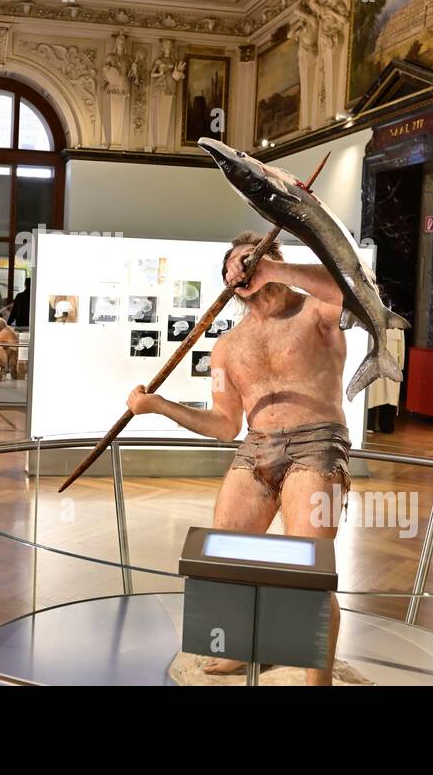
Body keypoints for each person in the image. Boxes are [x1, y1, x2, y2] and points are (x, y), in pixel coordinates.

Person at [126, 231, 350, 685]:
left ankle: (317, 678)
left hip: (318, 441)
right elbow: (224, 424)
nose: (241, 270)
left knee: (310, 566)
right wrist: (159, 406)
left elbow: (344, 291)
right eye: (233, 266)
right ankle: (237, 648)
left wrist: (272, 268)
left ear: (273, 262)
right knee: (225, 555)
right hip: (256, 445)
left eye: (252, 262)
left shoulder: (316, 312)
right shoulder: (228, 346)